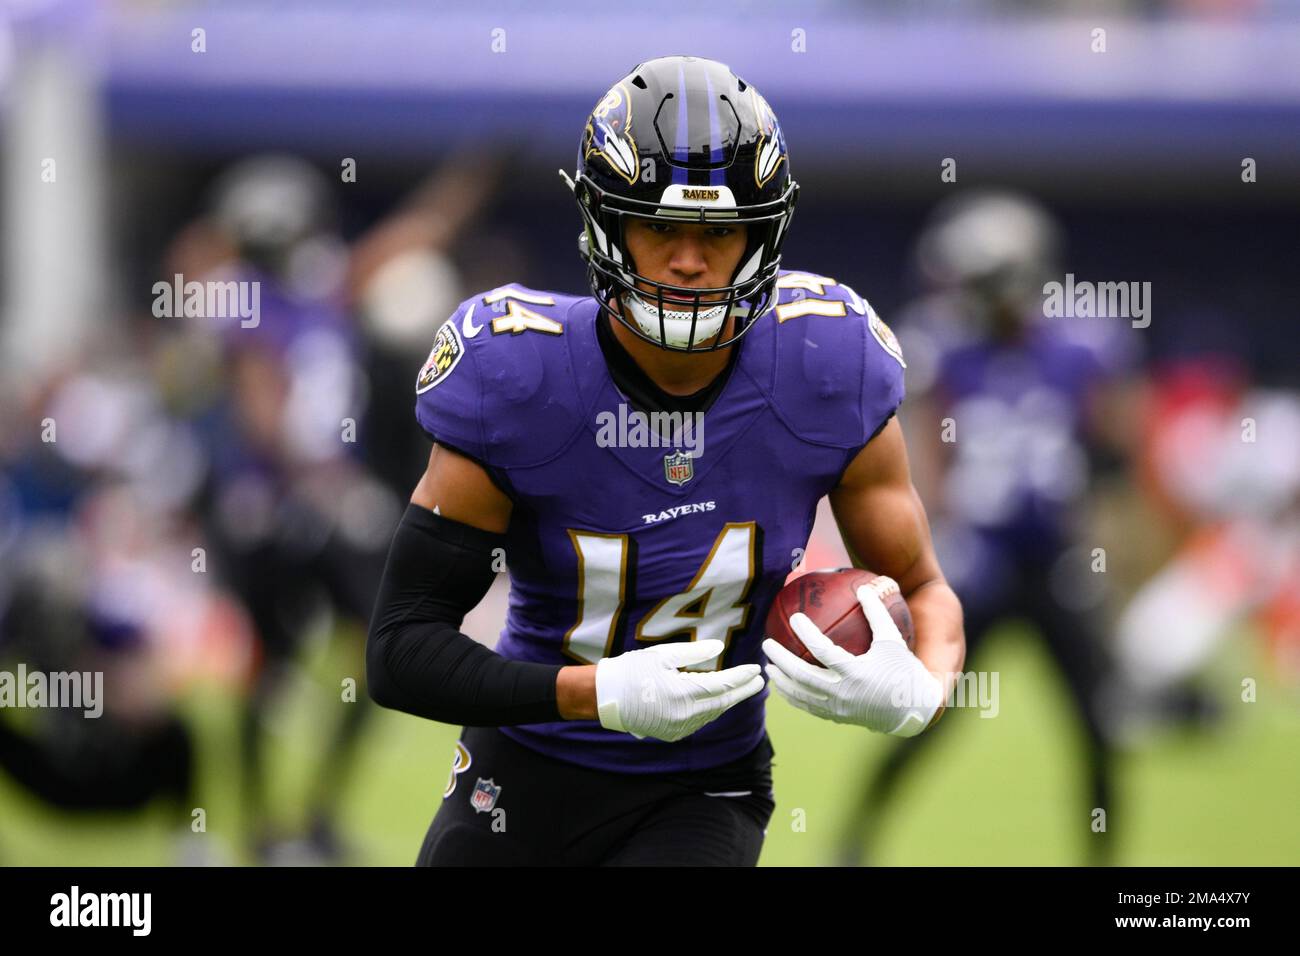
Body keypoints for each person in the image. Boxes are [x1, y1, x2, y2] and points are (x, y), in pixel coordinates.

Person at [366, 55, 964, 867]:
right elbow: (401, 649)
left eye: (719, 232)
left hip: (703, 784)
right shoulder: (515, 375)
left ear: (762, 233)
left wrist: (919, 693)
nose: (690, 260)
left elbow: (924, 587)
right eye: (660, 227)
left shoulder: (828, 362)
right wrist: (596, 694)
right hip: (527, 765)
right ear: (609, 225)